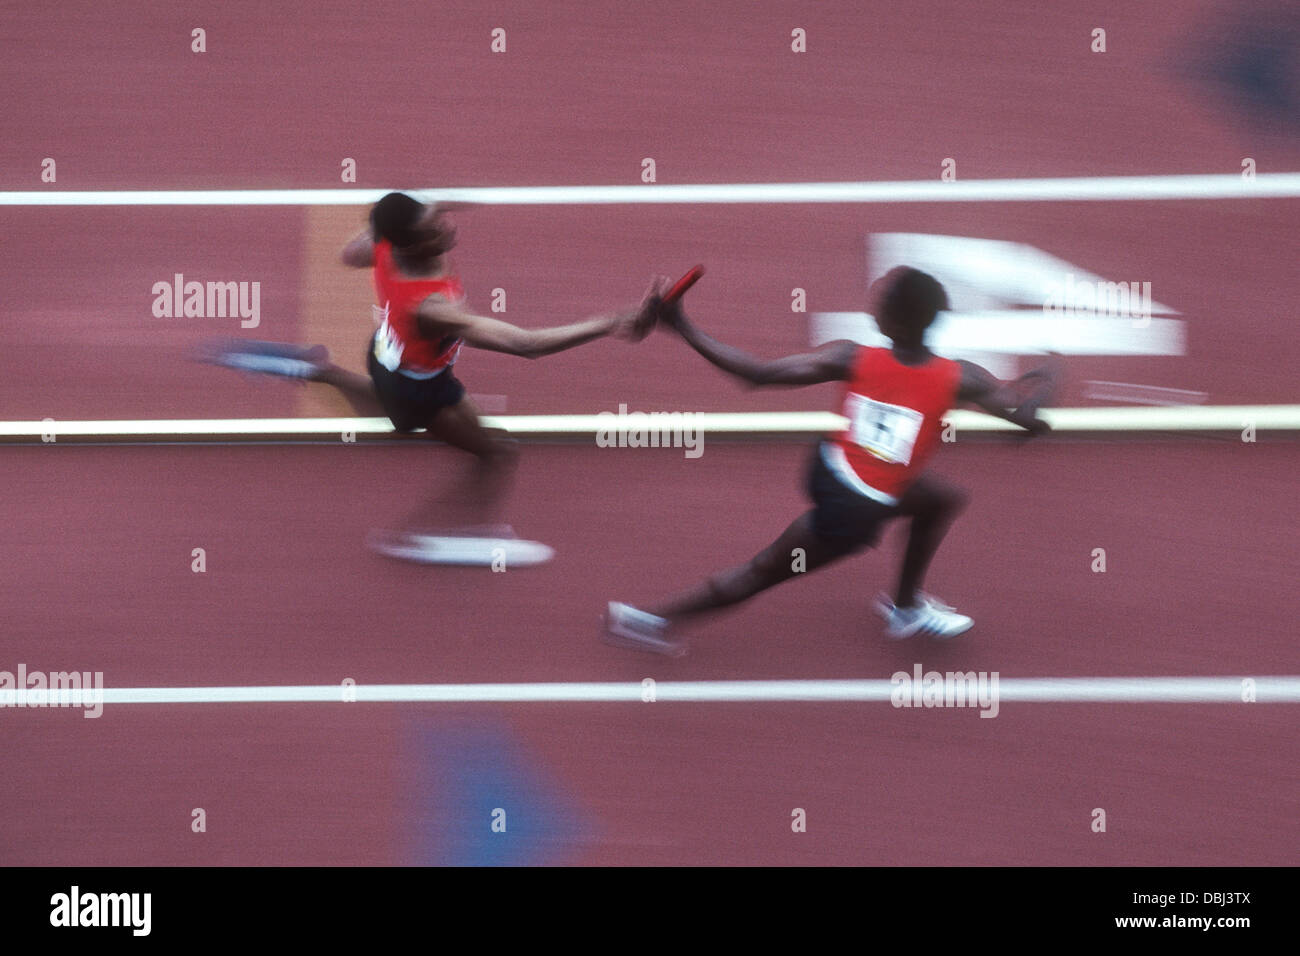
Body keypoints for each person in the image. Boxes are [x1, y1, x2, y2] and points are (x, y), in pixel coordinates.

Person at [603, 266, 1062, 656]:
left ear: (896, 322)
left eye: (880, 300)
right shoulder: (964, 378)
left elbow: (758, 375)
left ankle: (904, 608)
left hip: (827, 465)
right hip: (855, 508)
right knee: (761, 571)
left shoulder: (851, 356)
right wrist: (1047, 379)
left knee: (938, 500)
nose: (873, 303)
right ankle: (645, 621)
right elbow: (1028, 424)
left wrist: (682, 326)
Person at [206, 192, 655, 562]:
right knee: (498, 453)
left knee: (384, 398)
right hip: (421, 389)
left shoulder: (384, 246)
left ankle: (311, 368)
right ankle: (426, 537)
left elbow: (350, 252)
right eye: (433, 227)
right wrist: (610, 322)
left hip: (386, 353)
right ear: (414, 245)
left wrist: (432, 208)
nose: (446, 227)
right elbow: (526, 345)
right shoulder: (433, 308)